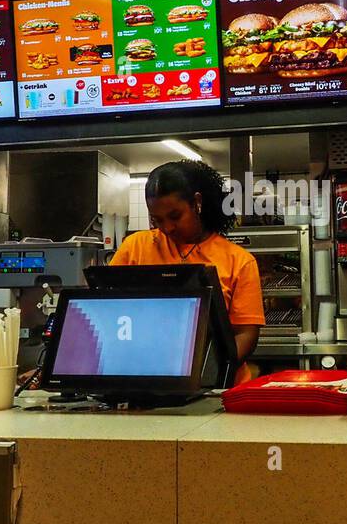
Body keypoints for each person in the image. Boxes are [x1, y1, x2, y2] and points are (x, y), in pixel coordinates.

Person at [110, 160, 263, 383]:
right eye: (157, 219)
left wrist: (204, 370)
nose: (167, 228)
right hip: (146, 379)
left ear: (197, 203)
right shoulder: (134, 247)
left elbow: (246, 334)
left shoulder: (239, 261)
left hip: (218, 388)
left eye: (175, 216)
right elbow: (109, 308)